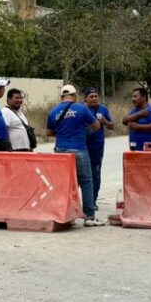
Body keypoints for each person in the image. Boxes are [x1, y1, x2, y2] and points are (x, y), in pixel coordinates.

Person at [47, 84, 100, 223]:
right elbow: (96, 125)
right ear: (75, 96)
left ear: (61, 97)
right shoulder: (81, 108)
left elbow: (49, 133)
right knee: (86, 182)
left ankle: (66, 216)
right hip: (79, 149)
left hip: (60, 151)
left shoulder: (53, 111)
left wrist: (63, 132)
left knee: (65, 184)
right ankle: (89, 217)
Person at [84, 90, 114, 206]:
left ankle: (93, 201)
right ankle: (84, 201)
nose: (94, 98)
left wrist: (105, 122)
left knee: (95, 174)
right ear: (85, 99)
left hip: (97, 146)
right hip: (83, 146)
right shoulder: (81, 109)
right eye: (91, 96)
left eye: (96, 96)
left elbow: (112, 126)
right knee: (82, 175)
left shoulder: (103, 109)